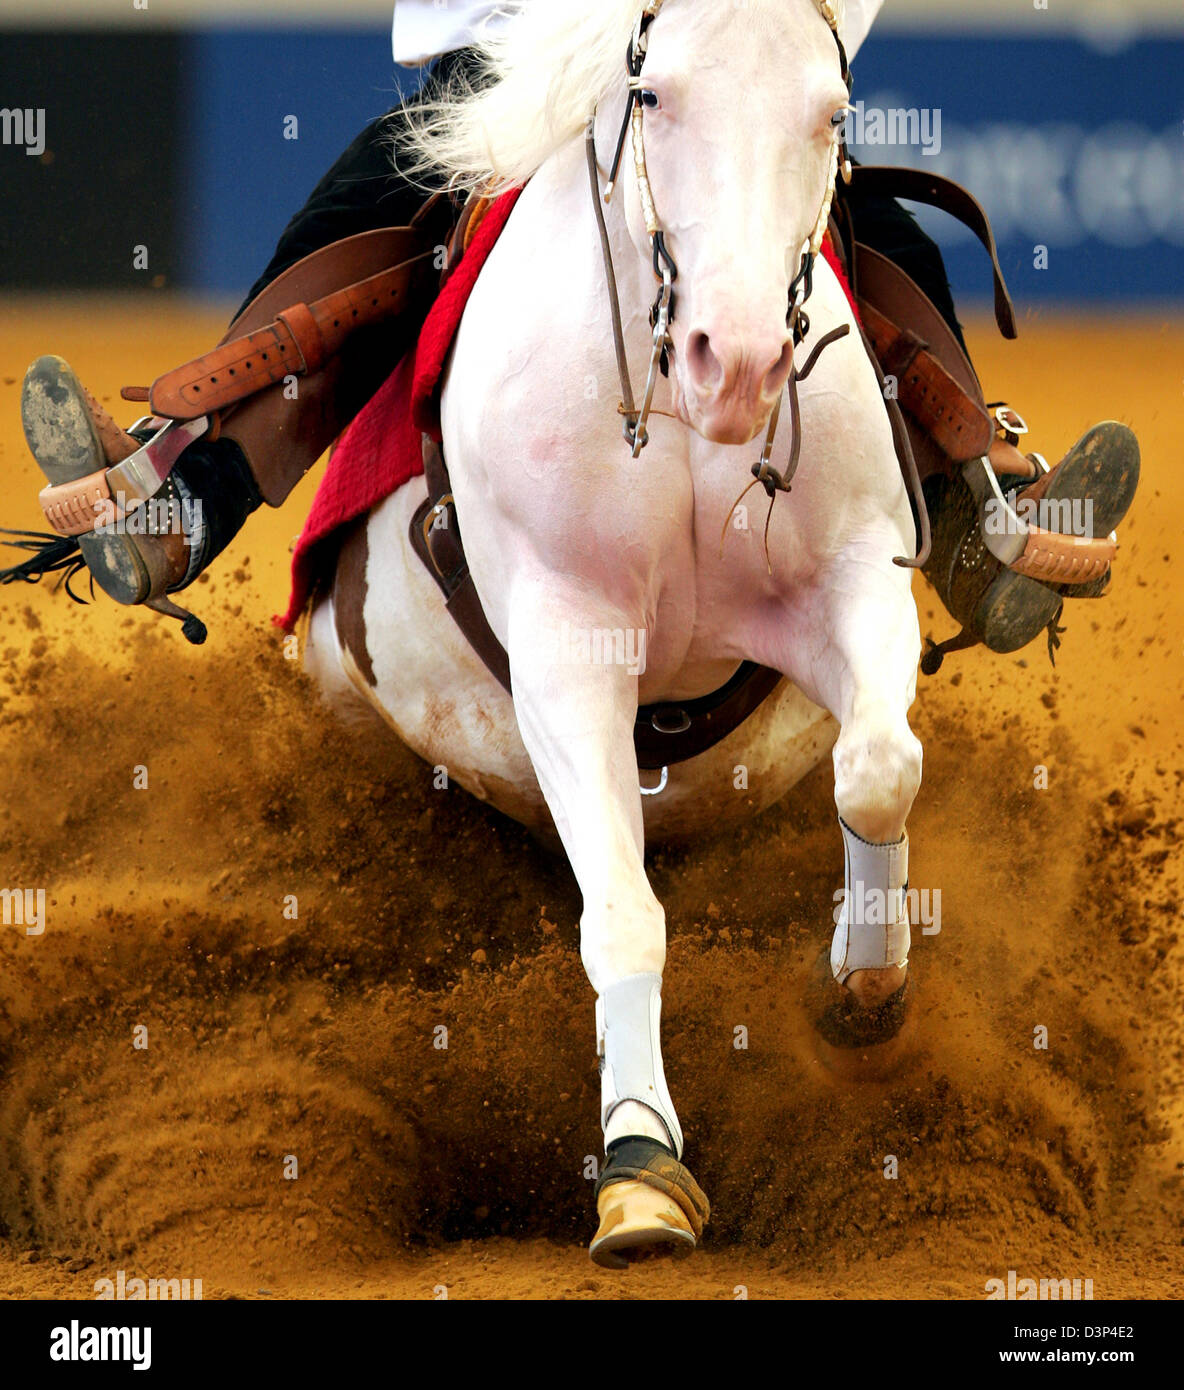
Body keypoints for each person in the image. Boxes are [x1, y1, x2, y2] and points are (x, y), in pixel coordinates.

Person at [9, 0, 1138, 665]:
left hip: (713, 60)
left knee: (876, 232)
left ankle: (964, 523)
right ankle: (187, 501)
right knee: (386, 196)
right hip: (535, 50)